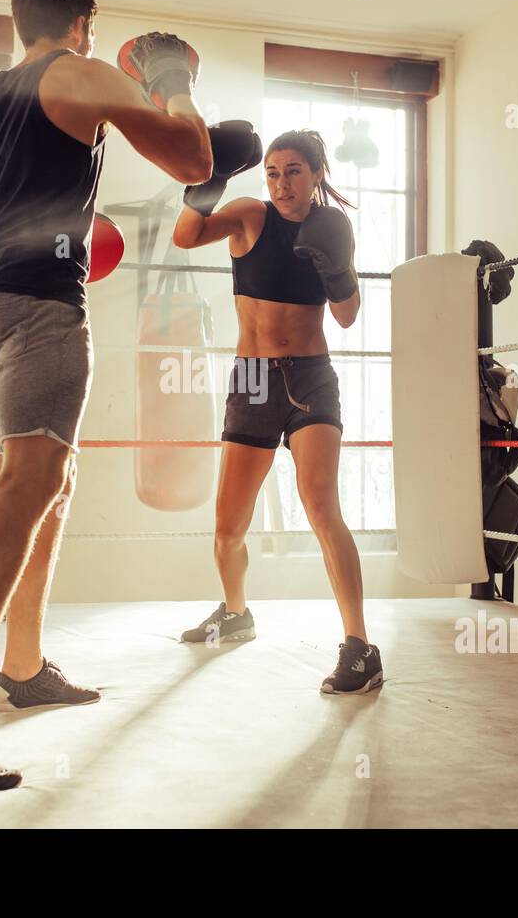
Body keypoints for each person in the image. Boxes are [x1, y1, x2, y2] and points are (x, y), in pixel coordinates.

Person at [0, 0, 213, 791]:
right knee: (32, 475)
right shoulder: (83, 74)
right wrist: (174, 80)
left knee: (49, 479)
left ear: (20, 23)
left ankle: (24, 661)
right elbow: (193, 156)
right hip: (40, 304)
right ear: (83, 24)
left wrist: (14, 231)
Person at [172, 129, 383, 695]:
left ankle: (360, 647)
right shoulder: (248, 216)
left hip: (311, 379)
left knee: (320, 506)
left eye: (293, 171)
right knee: (227, 528)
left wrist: (335, 271)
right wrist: (209, 180)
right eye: (272, 172)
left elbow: (346, 316)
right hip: (253, 382)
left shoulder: (333, 228)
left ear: (317, 174)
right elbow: (186, 234)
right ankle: (237, 613)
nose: (281, 183)